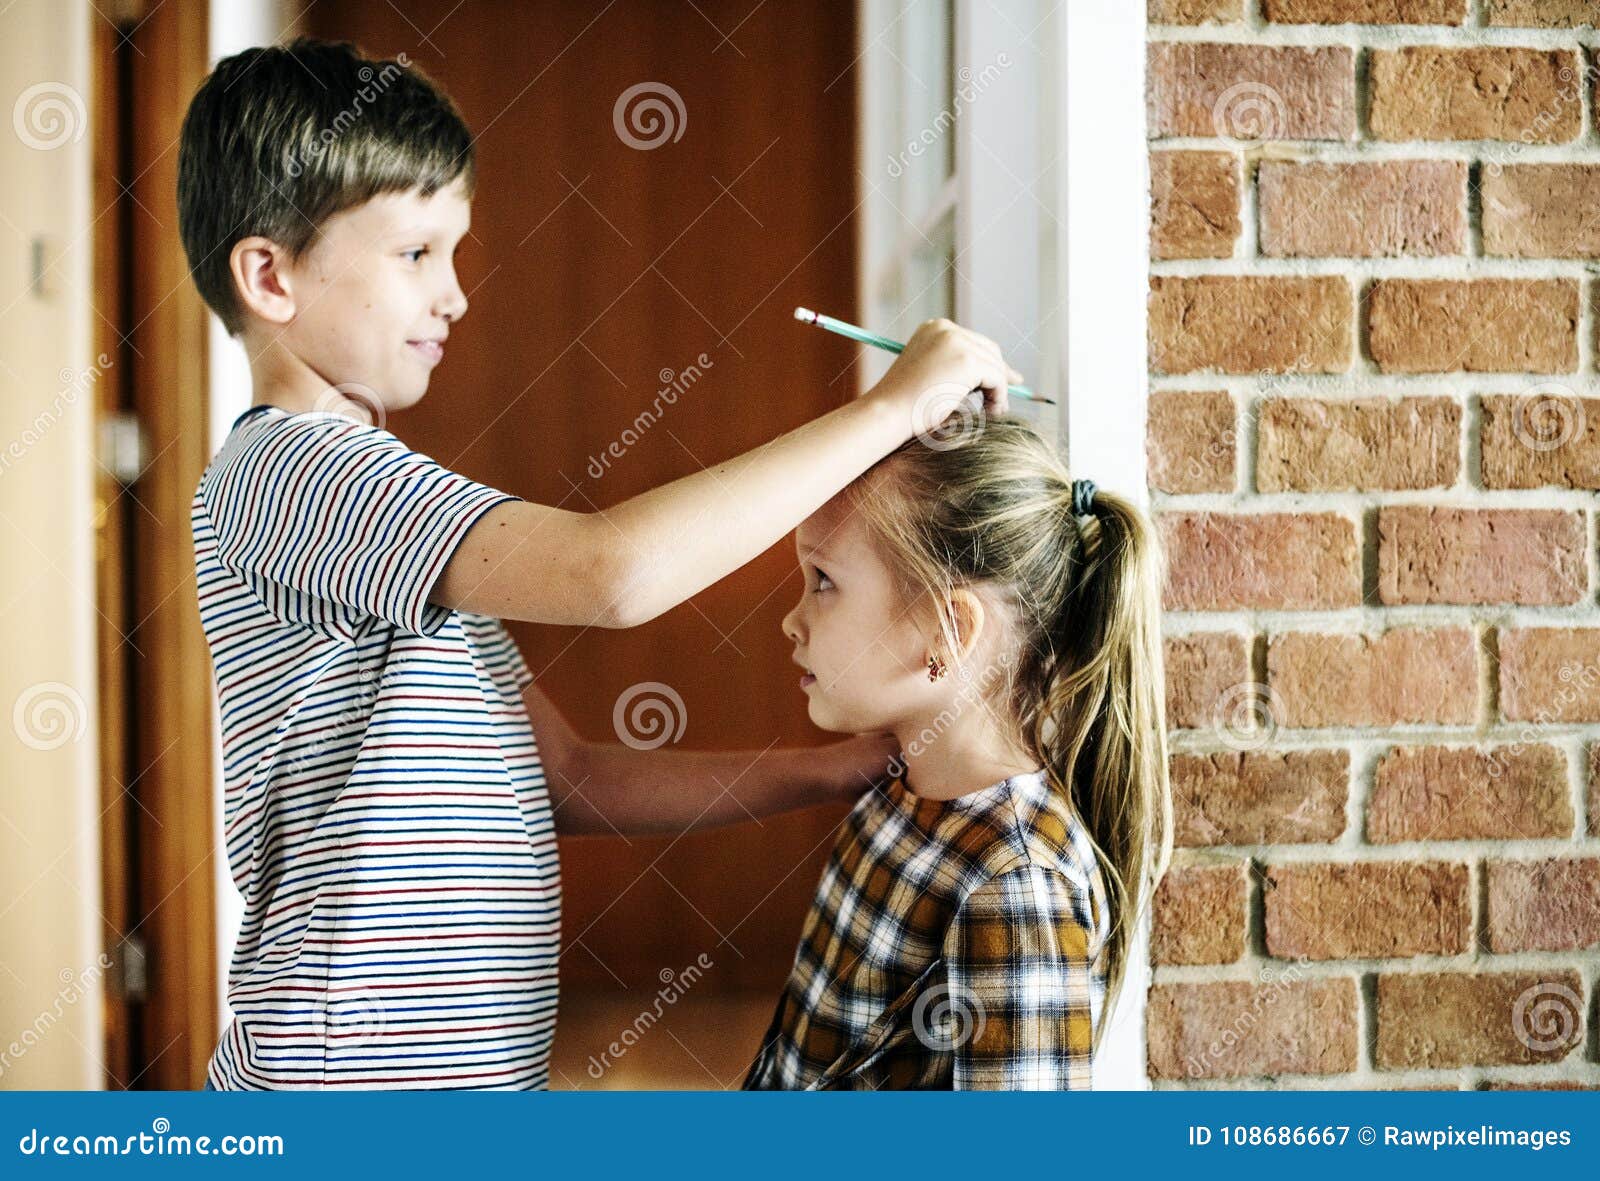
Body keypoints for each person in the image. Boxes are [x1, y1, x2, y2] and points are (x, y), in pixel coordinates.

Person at [179, 37, 1018, 1089]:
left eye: (454, 254)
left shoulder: (385, 516)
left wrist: (833, 770)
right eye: (416, 254)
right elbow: (612, 574)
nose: (455, 296)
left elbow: (568, 776)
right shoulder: (294, 472)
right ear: (270, 276)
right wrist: (890, 410)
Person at [744, 417, 1171, 1089]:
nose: (791, 621)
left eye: (823, 580)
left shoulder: (1016, 887)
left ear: (949, 628)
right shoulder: (899, 796)